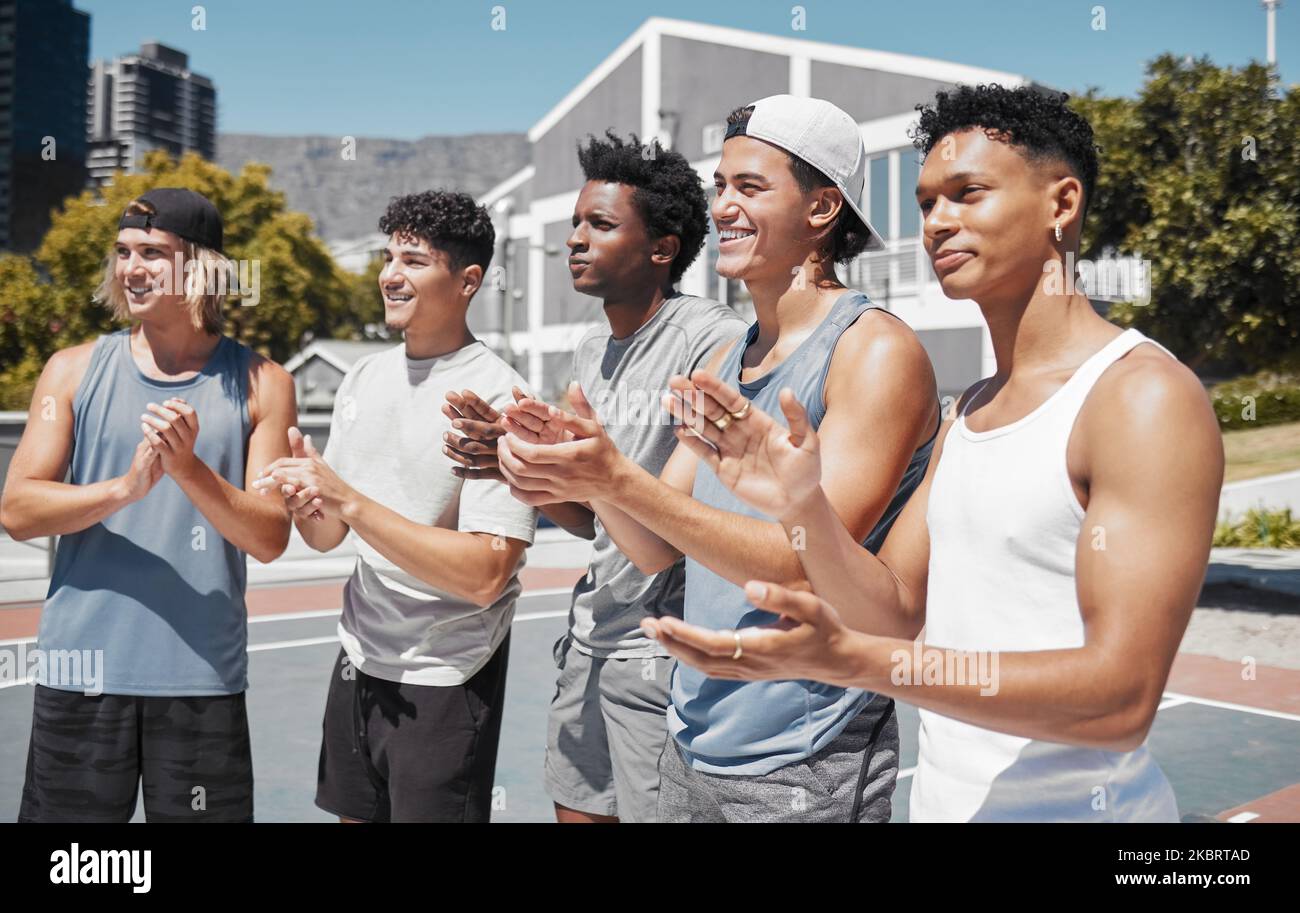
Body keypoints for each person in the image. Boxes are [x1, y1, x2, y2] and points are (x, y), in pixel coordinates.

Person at [642, 84, 1224, 822]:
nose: (937, 223)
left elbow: (1120, 699)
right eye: (925, 203)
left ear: (1062, 203)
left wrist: (852, 661)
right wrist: (805, 511)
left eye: (967, 193)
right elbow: (892, 613)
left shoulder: (1141, 398)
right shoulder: (971, 411)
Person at [494, 96, 940, 822]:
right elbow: (650, 548)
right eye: (721, 186)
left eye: (750, 187)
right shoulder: (733, 355)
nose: (723, 207)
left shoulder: (874, 351)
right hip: (691, 737)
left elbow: (803, 562)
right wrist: (586, 469)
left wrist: (615, 477)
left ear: (824, 207)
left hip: (803, 754)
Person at [444, 131, 745, 822]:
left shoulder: (711, 337)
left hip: (661, 646)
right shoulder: (590, 350)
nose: (576, 239)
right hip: (589, 635)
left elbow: (667, 534)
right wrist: (526, 468)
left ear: (662, 249)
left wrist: (589, 472)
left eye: (601, 225)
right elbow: (588, 515)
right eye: (576, 224)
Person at [2, 188, 296, 822]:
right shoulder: (71, 371)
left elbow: (270, 536)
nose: (130, 268)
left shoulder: (264, 382)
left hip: (199, 680)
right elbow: (18, 509)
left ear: (204, 268)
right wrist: (124, 489)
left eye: (153, 253)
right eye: (123, 252)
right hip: (80, 672)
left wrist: (187, 469)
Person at [255, 190, 537, 823]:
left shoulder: (500, 397)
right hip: (358, 660)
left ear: (468, 281)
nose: (389, 274)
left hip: (446, 675)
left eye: (413, 259)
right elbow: (329, 537)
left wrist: (349, 500)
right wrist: (310, 500)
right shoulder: (363, 378)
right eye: (388, 257)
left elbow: (488, 574)